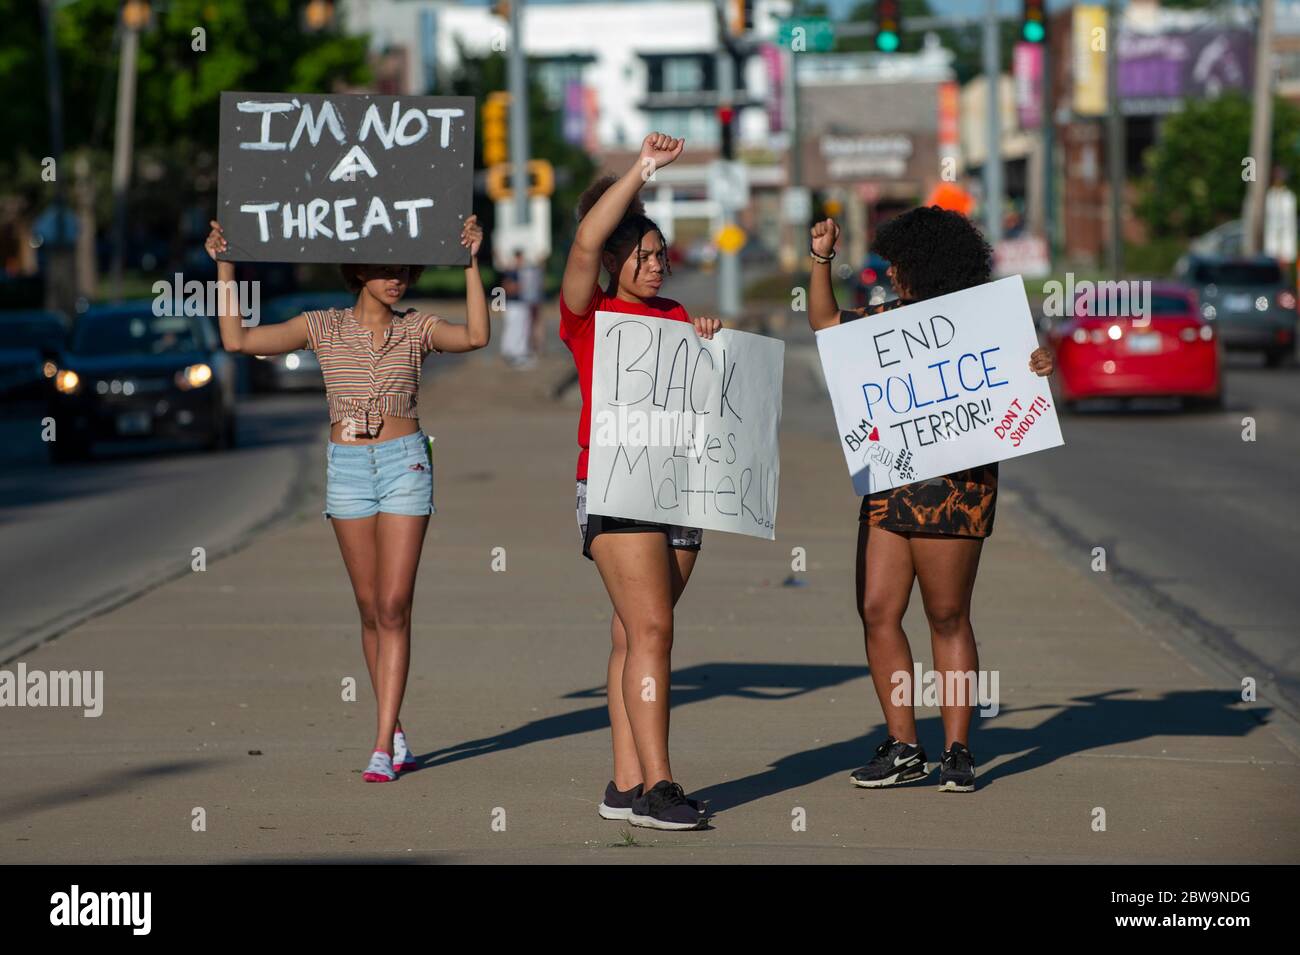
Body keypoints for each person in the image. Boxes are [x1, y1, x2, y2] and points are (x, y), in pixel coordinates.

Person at [205, 214, 490, 783]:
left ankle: (381, 744)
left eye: (403, 269)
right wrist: (225, 265)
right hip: (349, 469)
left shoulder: (418, 328)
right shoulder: (322, 326)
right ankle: (395, 727)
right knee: (369, 607)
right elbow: (238, 341)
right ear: (358, 271)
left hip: (405, 462)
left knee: (395, 604)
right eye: (384, 269)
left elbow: (476, 336)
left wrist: (472, 261)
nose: (396, 279)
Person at [807, 207, 1054, 793]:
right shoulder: (886, 322)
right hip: (890, 485)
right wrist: (821, 259)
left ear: (928, 265)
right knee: (877, 610)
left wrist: (1040, 365)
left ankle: (957, 750)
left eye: (899, 264)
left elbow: (1020, 378)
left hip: (957, 490)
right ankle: (904, 747)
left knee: (947, 616)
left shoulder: (983, 322)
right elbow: (825, 321)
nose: (891, 273)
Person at [558, 133, 719, 830]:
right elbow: (584, 243)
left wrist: (709, 345)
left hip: (679, 486)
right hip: (617, 483)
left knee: (634, 633)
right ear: (613, 261)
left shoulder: (675, 317)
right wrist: (643, 171)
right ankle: (659, 786)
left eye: (660, 256)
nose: (655, 266)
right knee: (654, 628)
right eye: (642, 256)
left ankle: (623, 785)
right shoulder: (588, 314)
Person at [500, 249, 534, 368]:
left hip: (522, 303)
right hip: (513, 304)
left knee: (523, 329)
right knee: (514, 329)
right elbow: (507, 287)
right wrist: (521, 287)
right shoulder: (511, 272)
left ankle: (519, 352)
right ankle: (514, 353)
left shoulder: (523, 272)